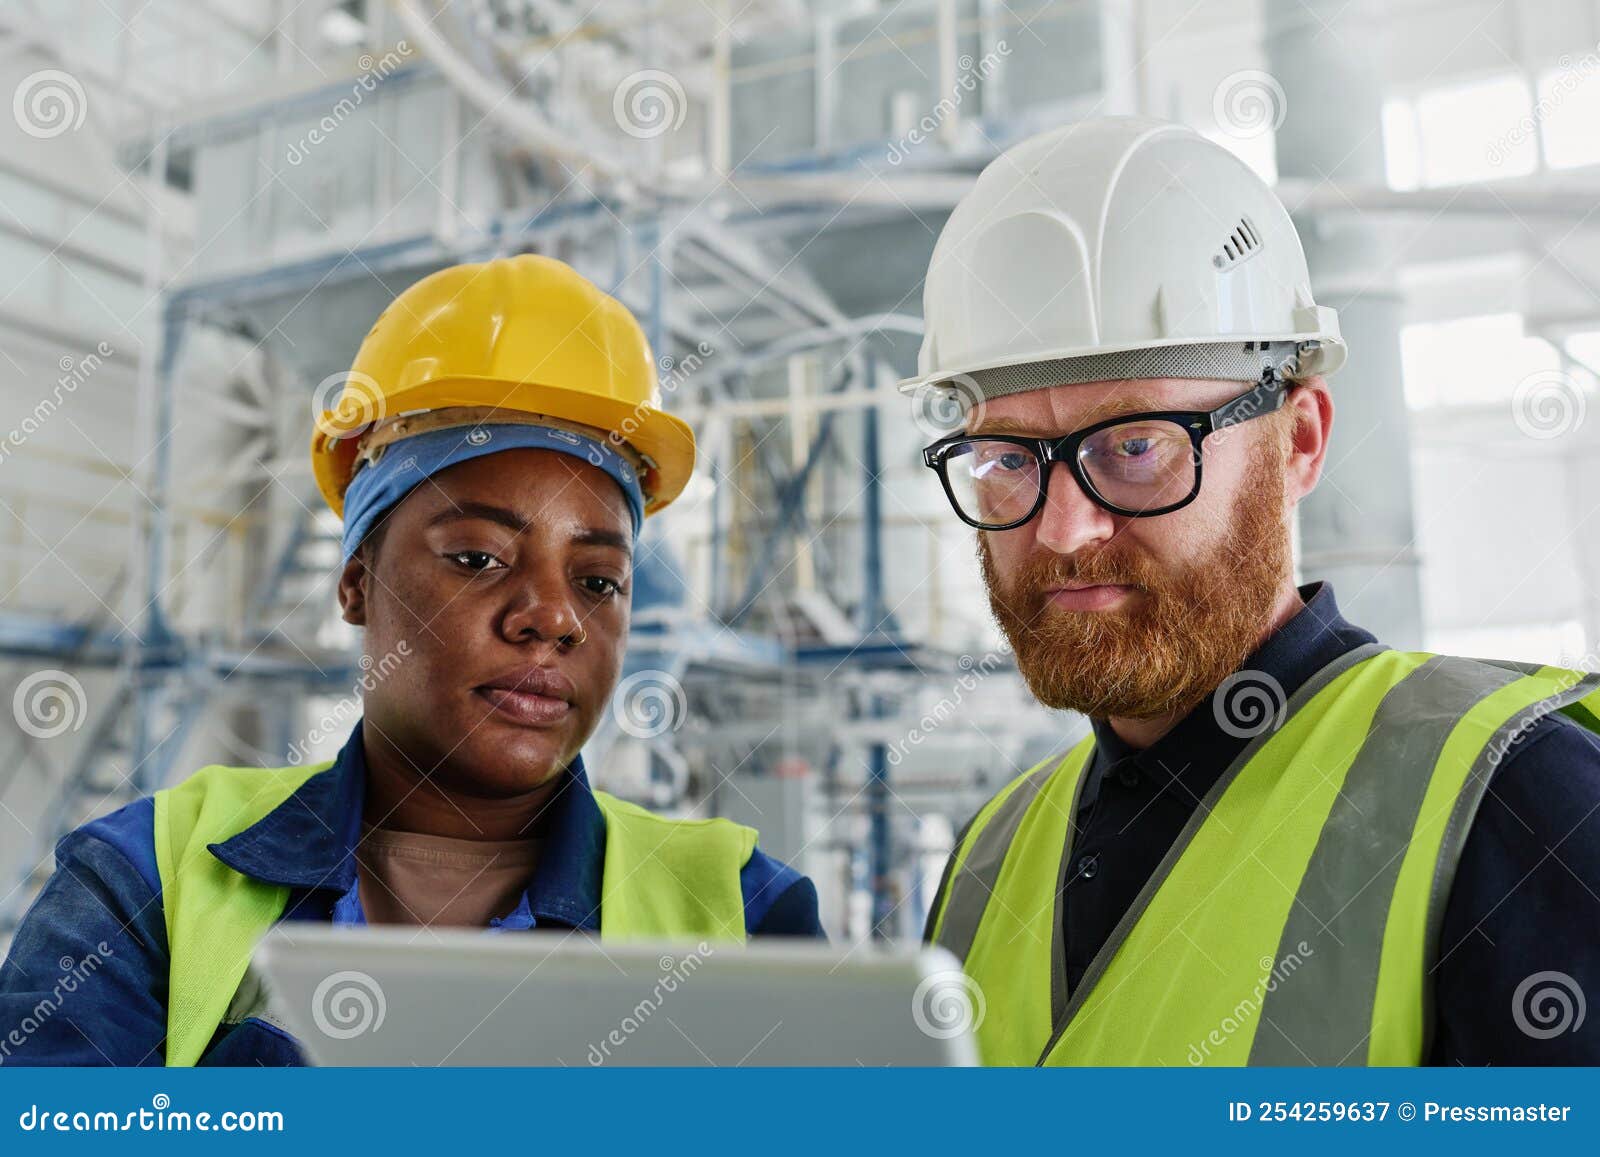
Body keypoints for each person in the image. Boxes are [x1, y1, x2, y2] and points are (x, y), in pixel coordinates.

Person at [0, 254, 822, 1067]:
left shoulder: (743, 910)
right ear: (358, 584)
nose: (555, 617)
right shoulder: (149, 880)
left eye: (599, 578)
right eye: (477, 558)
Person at [908, 117, 1600, 1066]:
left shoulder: (1522, 802)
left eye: (1138, 445)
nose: (1064, 529)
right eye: (1003, 458)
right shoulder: (991, 858)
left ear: (1300, 439)